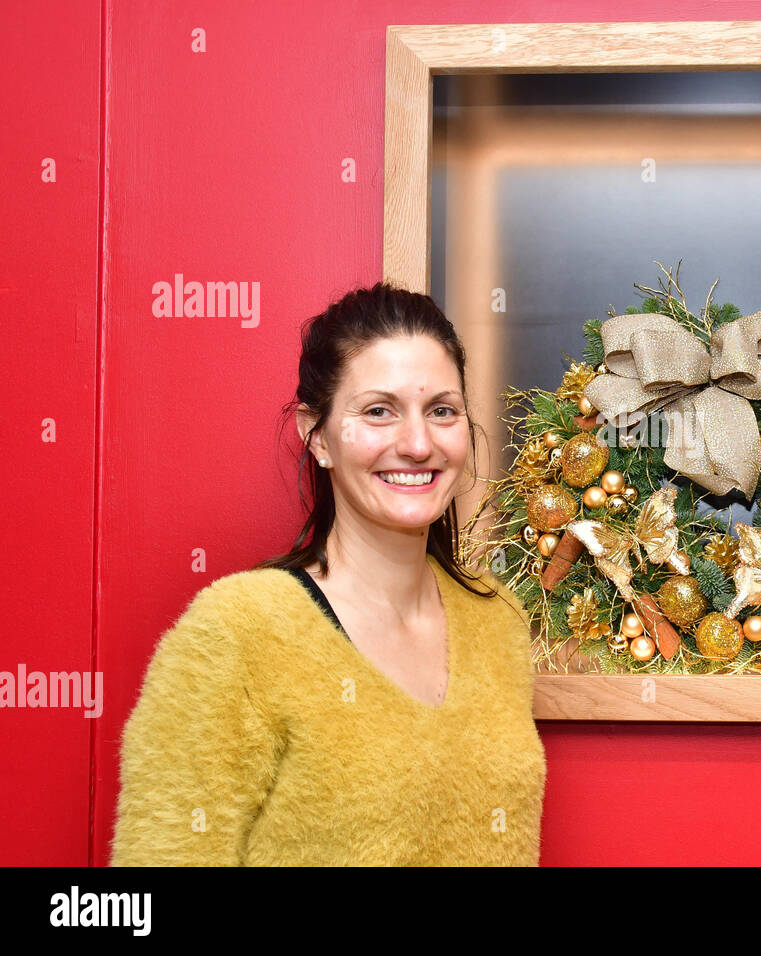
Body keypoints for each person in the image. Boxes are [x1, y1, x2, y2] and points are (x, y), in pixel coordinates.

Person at [110, 282, 546, 866]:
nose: (417, 443)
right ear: (317, 436)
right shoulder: (237, 633)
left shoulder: (500, 623)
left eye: (441, 411)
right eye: (378, 412)